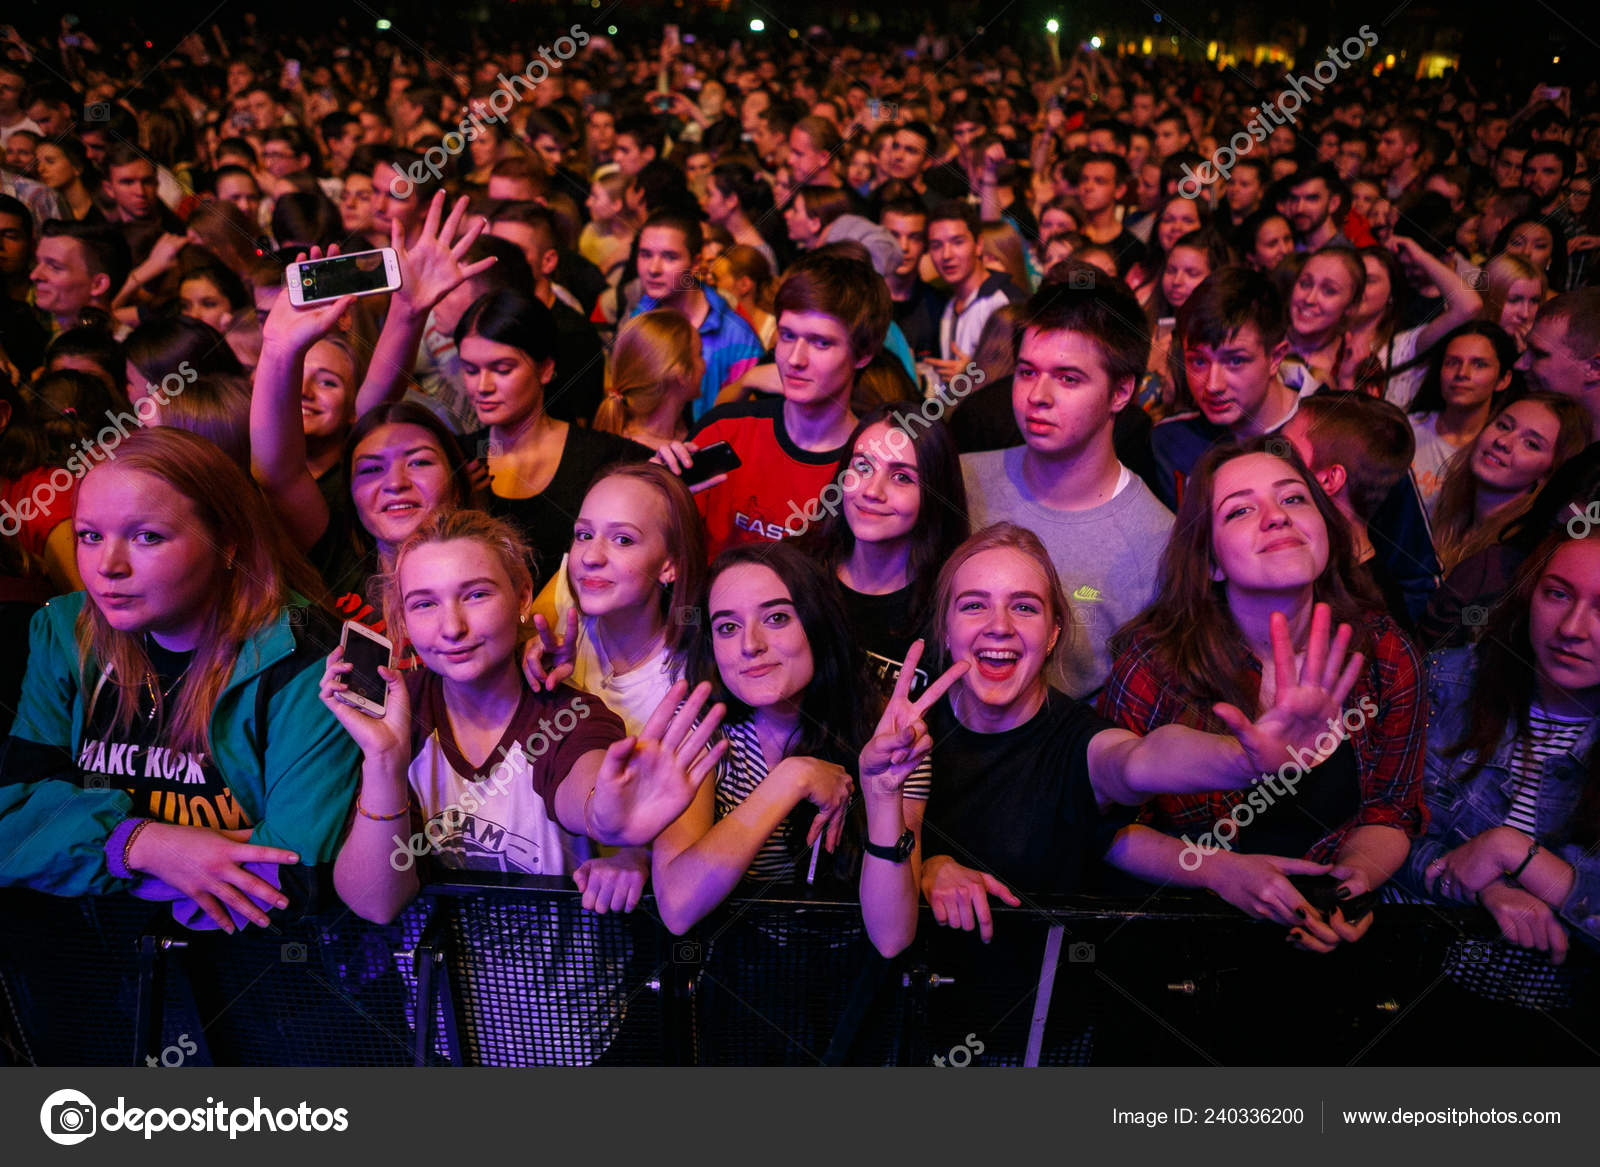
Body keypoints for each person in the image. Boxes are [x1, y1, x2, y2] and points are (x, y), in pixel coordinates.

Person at [905, 522, 1367, 943]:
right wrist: (927, 865)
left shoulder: (1082, 745)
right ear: (946, 627)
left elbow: (1146, 758)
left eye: (1024, 607)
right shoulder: (907, 722)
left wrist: (1245, 760)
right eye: (974, 605)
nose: (999, 626)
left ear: (1052, 634)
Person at [0, 428, 359, 931]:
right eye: (89, 535)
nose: (107, 566)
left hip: (273, 979)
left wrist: (72, 851)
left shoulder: (308, 653)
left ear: (228, 543)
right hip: (95, 973)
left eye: (147, 536)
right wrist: (140, 845)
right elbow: (8, 823)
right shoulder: (65, 630)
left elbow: (295, 876)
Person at [1100, 438, 1425, 954]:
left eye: (1295, 498)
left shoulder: (1384, 651)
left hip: (1329, 949)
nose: (1276, 517)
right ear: (1210, 562)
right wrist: (1220, 872)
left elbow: (1391, 812)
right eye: (1241, 510)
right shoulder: (1155, 662)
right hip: (1187, 942)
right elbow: (1109, 832)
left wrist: (1349, 884)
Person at [963, 271, 1174, 699]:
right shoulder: (960, 480)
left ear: (1120, 392)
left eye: (1068, 378)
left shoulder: (1157, 544)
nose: (1037, 395)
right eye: (1026, 372)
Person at [1400, 530, 1600, 970]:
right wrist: (1484, 890)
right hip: (1413, 971)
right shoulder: (1448, 682)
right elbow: (1385, 830)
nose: (1571, 628)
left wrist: (1512, 850)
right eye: (1558, 594)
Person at [649, 543, 874, 933]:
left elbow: (892, 935)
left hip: (857, 981)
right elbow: (676, 905)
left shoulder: (880, 732)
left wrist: (934, 869)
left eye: (776, 618)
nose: (750, 644)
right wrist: (792, 778)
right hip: (741, 977)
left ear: (817, 622)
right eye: (727, 627)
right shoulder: (702, 737)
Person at [667, 251, 890, 557]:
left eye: (821, 342)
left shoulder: (874, 465)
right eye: (787, 336)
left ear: (863, 354)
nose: (795, 359)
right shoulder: (725, 429)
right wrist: (655, 497)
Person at [806, 405, 970, 694]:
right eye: (863, 467)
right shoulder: (797, 573)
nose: (872, 491)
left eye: (902, 477)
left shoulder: (952, 607)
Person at [1281, 393, 1420, 629]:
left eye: (1287, 451)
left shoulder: (1369, 608)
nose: (1272, 458)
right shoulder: (1310, 567)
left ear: (1329, 480)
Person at [1430, 393, 1589, 573]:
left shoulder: (1516, 555)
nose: (1502, 441)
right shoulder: (1448, 513)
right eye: (1503, 425)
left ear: (1550, 472)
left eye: (1531, 444)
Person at [630, 210, 763, 419]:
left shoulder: (736, 335)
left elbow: (750, 421)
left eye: (669, 257)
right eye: (645, 254)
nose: (653, 269)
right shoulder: (637, 322)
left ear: (694, 264)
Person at [1404, 322, 1519, 513]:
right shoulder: (1407, 429)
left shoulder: (1499, 449)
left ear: (1503, 379)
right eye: (1452, 362)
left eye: (1479, 364)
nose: (1462, 374)